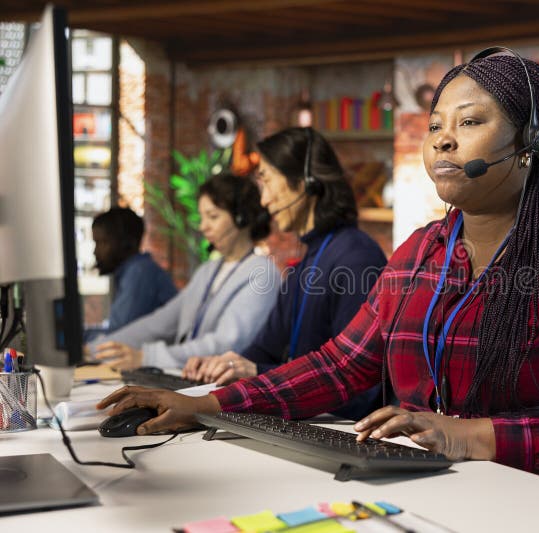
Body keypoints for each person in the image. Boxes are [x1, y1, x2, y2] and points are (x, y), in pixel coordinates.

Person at [99, 49, 539, 497]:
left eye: (469, 121)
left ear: (533, 141)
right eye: (434, 126)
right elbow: (342, 365)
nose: (443, 139)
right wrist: (211, 405)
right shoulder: (422, 252)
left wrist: (474, 436)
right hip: (434, 494)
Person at [182, 127, 387, 420]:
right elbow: (264, 350)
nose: (263, 201)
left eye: (265, 180)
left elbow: (359, 389)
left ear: (306, 182)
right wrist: (223, 364)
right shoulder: (306, 263)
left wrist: (256, 372)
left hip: (342, 432)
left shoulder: (355, 258)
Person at [89, 172, 281, 370]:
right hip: (189, 377)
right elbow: (160, 322)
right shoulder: (209, 270)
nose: (203, 226)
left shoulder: (262, 273)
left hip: (220, 389)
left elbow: (227, 343)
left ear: (242, 218)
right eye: (202, 217)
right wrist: (97, 348)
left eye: (213, 216)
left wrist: (147, 358)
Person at [83, 207, 177, 342]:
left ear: (126, 243)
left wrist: (76, 337)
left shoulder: (139, 273)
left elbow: (119, 337)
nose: (96, 251)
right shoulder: (135, 271)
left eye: (102, 242)